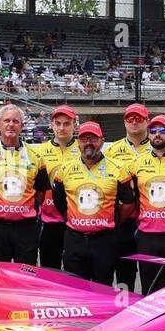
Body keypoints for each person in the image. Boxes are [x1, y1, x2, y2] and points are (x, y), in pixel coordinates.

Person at [52, 121, 135, 286]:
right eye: (84, 139)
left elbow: (128, 203)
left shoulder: (118, 168)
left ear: (102, 141)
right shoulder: (65, 169)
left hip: (104, 240)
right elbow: (59, 200)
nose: (88, 143)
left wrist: (113, 220)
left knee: (102, 289)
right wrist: (71, 217)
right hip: (74, 239)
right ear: (78, 142)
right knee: (75, 289)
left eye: (93, 139)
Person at [0, 104, 50, 264]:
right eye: (7, 120)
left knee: (27, 274)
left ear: (22, 125)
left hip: (26, 228)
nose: (11, 124)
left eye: (15, 121)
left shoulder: (37, 156)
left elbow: (41, 192)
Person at [127, 114, 165, 292]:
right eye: (153, 130)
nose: (157, 134)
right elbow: (133, 197)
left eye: (162, 130)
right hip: (147, 237)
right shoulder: (137, 163)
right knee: (149, 290)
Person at [104, 103, 151, 292]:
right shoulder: (112, 150)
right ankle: (123, 306)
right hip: (125, 220)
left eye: (139, 118)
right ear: (124, 122)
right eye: (130, 118)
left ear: (147, 121)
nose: (134, 122)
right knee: (124, 273)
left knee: (150, 274)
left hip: (151, 222)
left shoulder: (157, 145)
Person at [35, 105, 80, 270]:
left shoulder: (83, 149)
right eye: (58, 123)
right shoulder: (39, 151)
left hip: (76, 222)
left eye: (66, 124)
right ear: (51, 125)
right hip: (49, 222)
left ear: (74, 125)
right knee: (50, 273)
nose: (62, 128)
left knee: (74, 273)